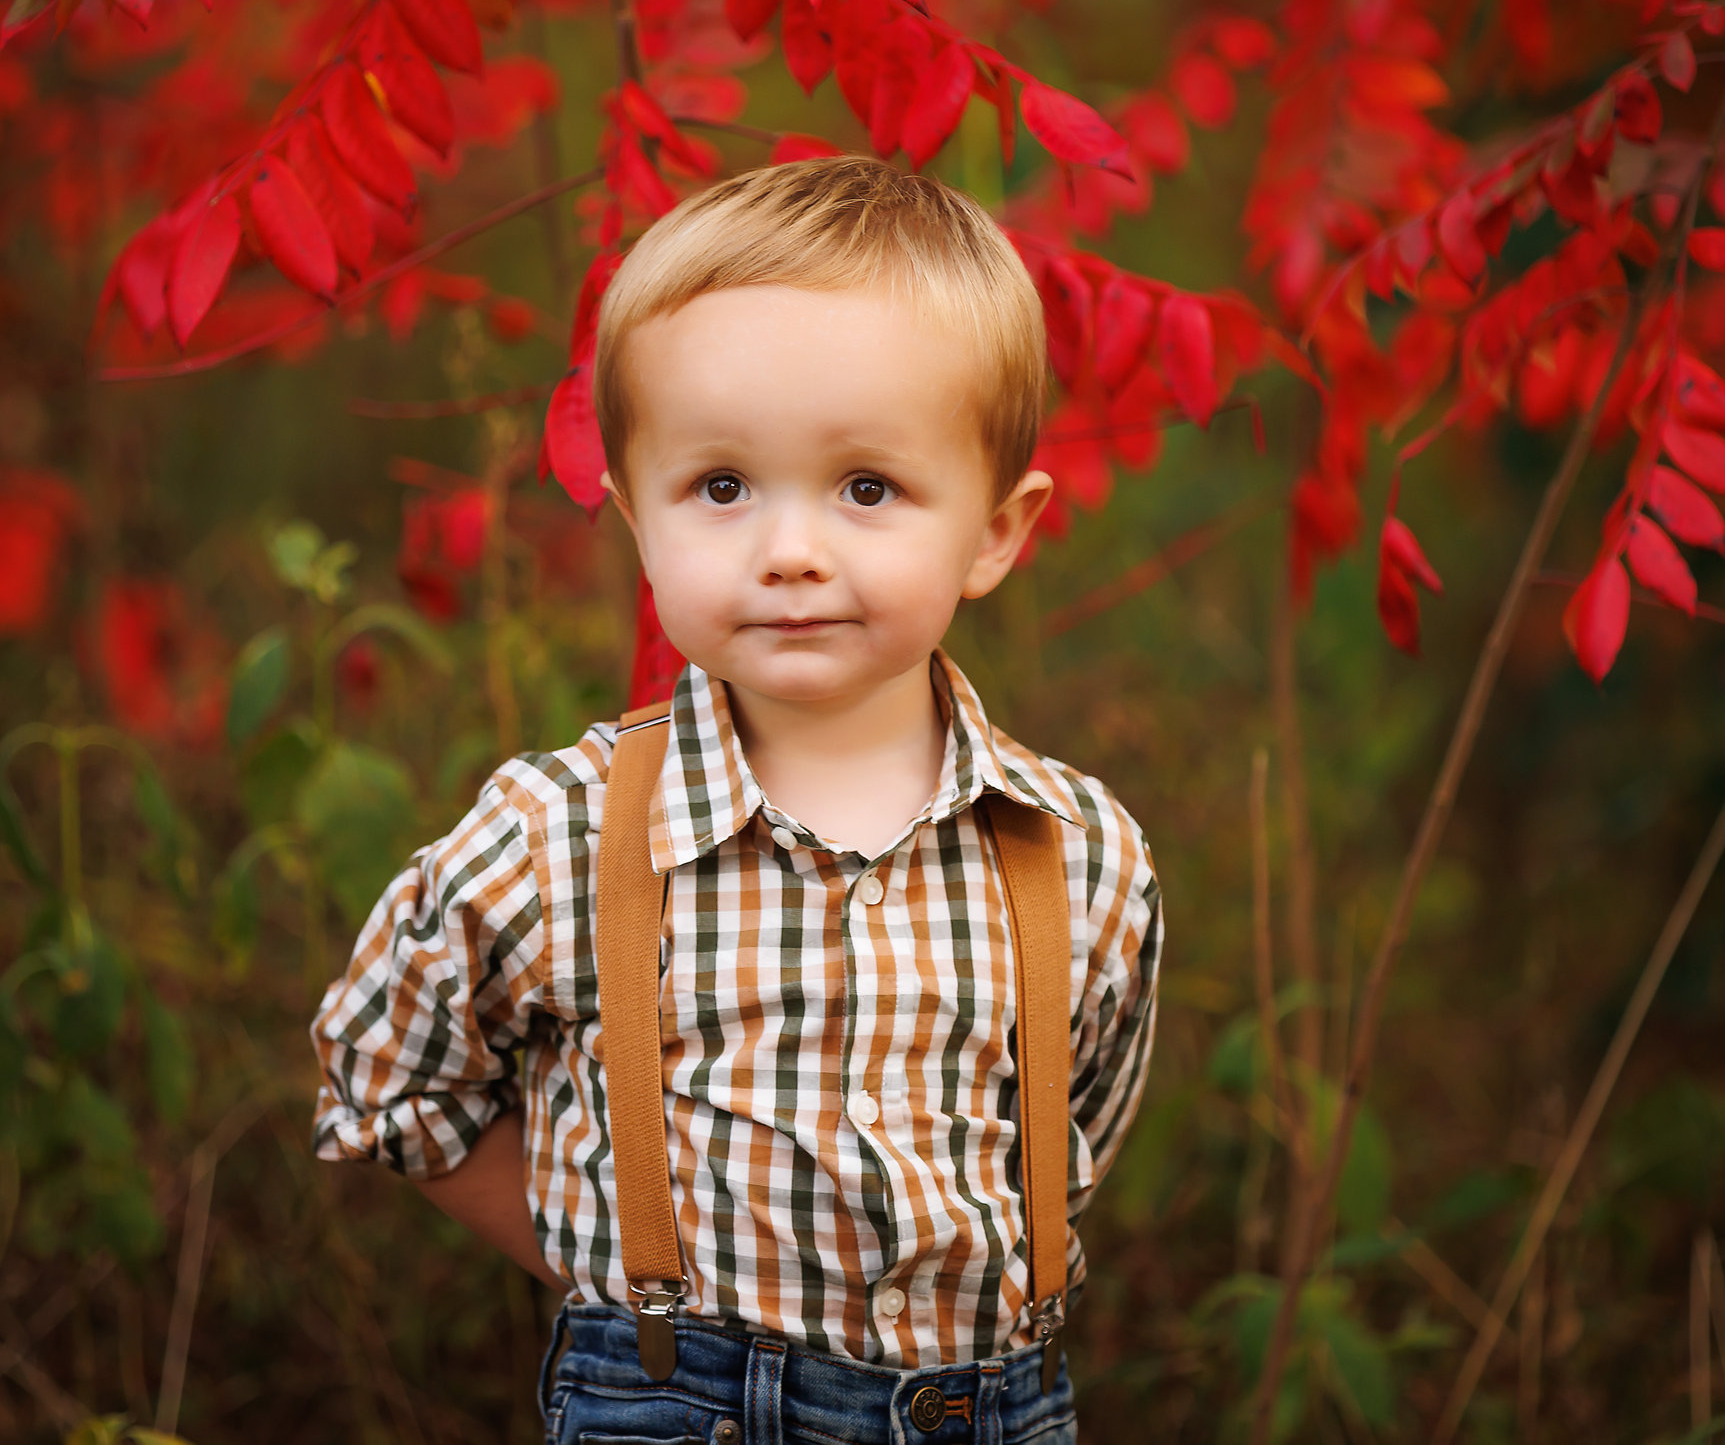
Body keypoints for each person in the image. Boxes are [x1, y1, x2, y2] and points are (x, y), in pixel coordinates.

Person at [311, 156, 1161, 1444]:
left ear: (996, 531)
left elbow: (1072, 1126)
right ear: (636, 523)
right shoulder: (558, 834)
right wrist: (601, 1252)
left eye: (867, 488)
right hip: (675, 1403)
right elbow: (386, 1075)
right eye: (721, 488)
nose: (790, 551)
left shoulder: (1078, 857)